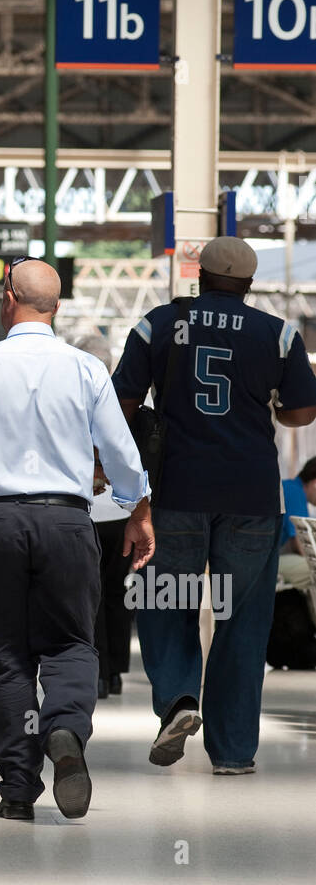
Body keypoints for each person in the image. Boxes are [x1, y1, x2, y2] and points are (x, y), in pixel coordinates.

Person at [0, 260, 153, 822]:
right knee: (71, 643)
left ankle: (18, 789)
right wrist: (138, 509)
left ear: (7, 299)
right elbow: (121, 453)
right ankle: (65, 731)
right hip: (68, 523)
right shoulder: (87, 371)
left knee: (9, 656)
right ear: (57, 308)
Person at [113, 236, 316, 776]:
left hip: (175, 491)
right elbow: (300, 414)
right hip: (251, 496)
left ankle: (180, 699)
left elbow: (121, 403)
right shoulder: (278, 333)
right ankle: (231, 752)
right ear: (249, 285)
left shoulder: (157, 324)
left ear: (197, 276)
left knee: (164, 599)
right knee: (243, 620)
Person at [74, 334, 133, 699]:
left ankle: (97, 671)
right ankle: (116, 673)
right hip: (122, 513)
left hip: (86, 513)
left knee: (88, 594)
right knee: (116, 591)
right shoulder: (124, 401)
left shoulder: (69, 401)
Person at [278, 457, 316, 608]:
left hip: (259, 559)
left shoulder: (291, 488)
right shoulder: (295, 493)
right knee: (312, 571)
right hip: (265, 564)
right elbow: (300, 547)